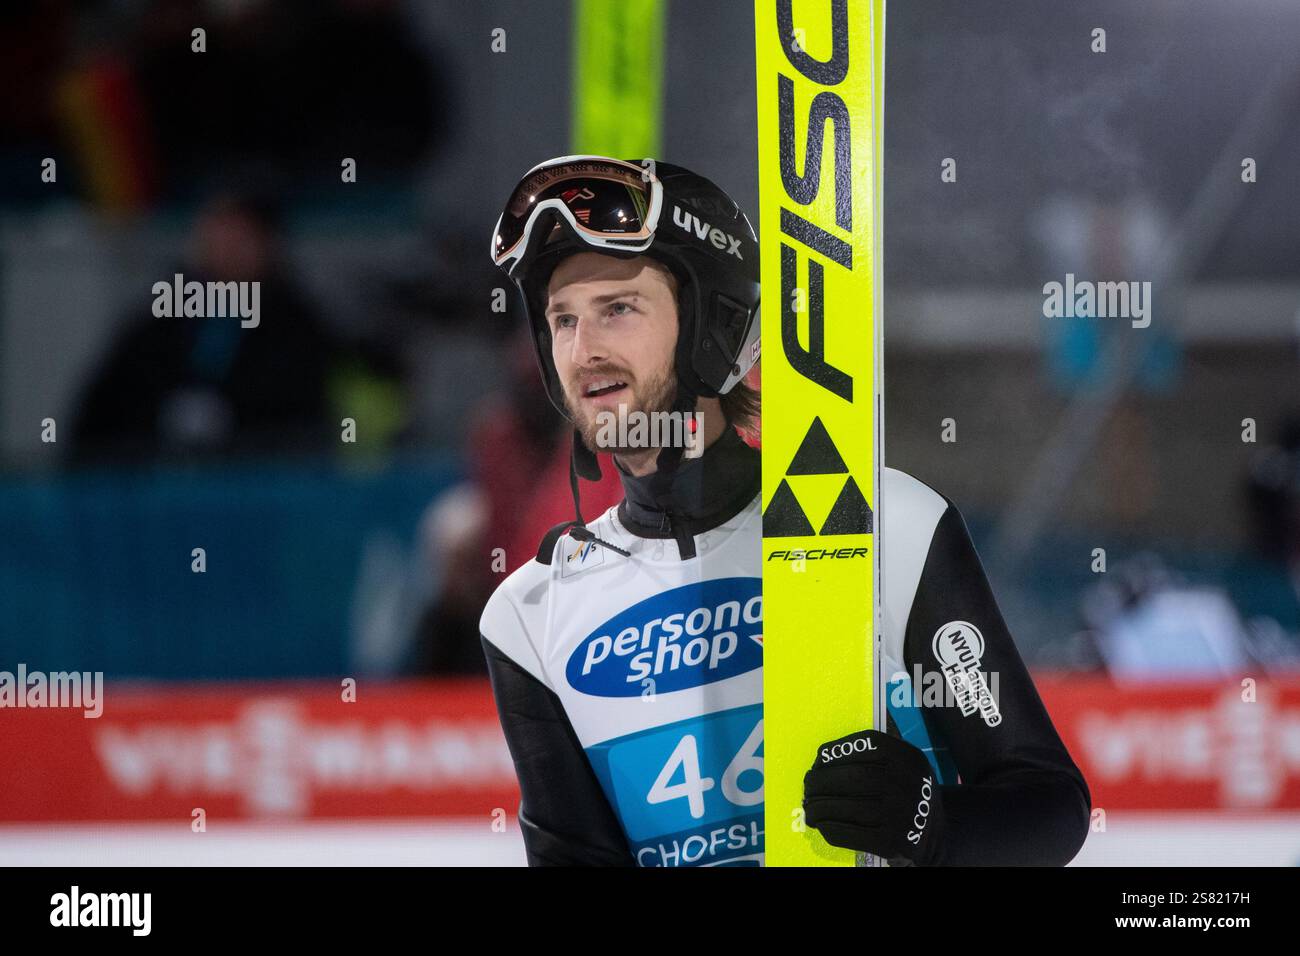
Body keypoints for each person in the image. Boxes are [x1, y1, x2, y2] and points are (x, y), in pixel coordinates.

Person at [479, 155, 1090, 866]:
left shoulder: (885, 520)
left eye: (618, 308)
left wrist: (934, 827)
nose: (583, 351)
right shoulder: (529, 615)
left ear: (715, 324)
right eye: (562, 320)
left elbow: (1050, 805)